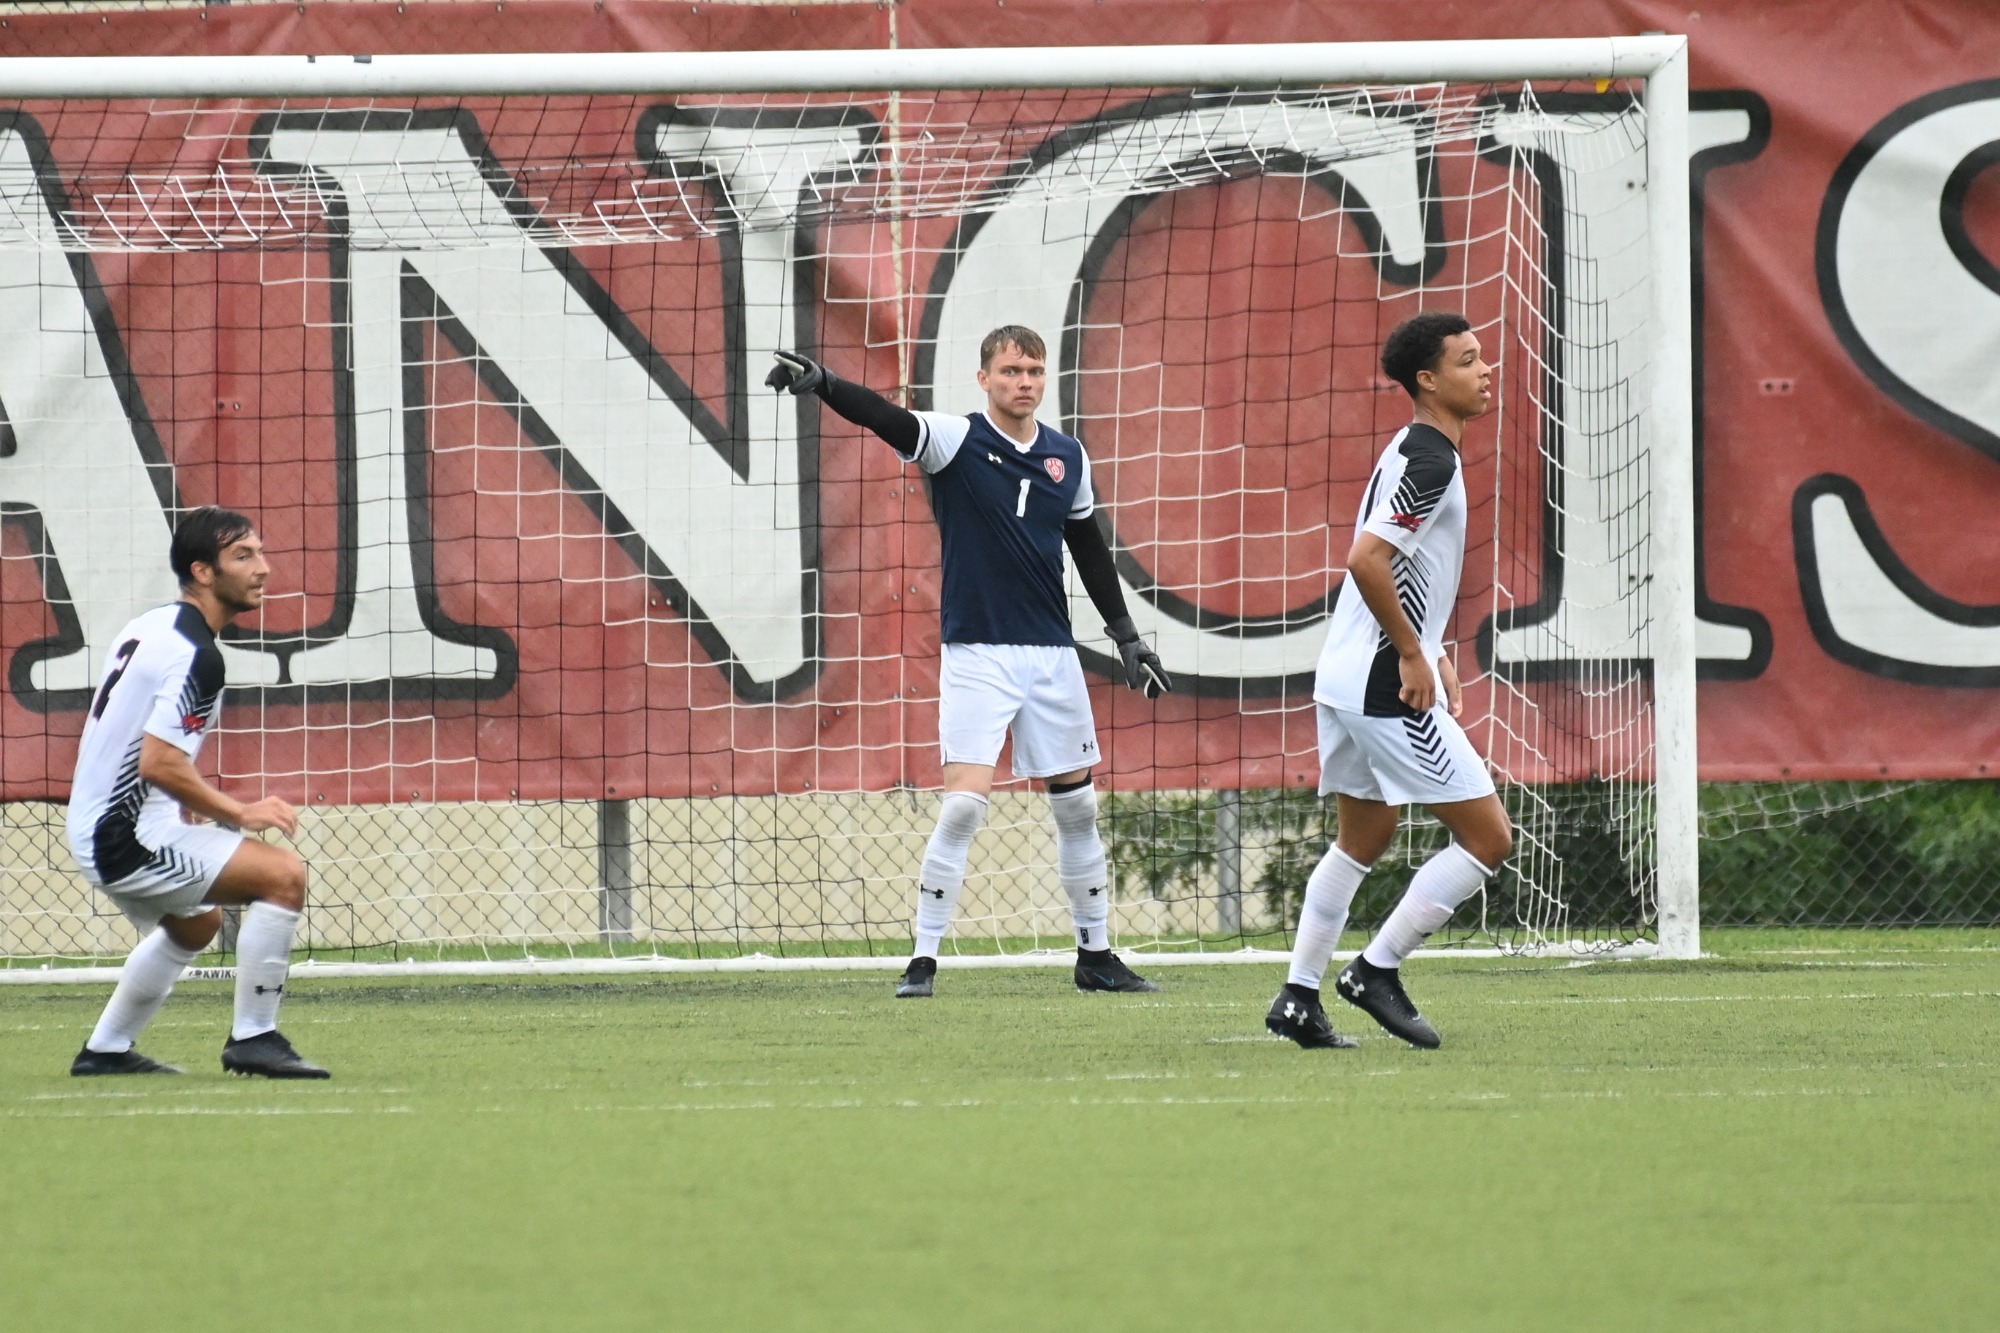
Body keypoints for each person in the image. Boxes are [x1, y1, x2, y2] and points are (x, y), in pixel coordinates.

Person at [768, 327, 1173, 998]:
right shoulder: (956, 440)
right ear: (984, 378)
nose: (1025, 381)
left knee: (1077, 808)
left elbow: (1089, 549)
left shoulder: (1067, 457)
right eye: (1011, 369)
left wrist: (1127, 636)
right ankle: (922, 959)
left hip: (1050, 655)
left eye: (1035, 370)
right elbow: (887, 417)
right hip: (978, 652)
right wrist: (825, 383)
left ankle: (1096, 955)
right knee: (962, 807)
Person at [1265, 311, 1514, 1050]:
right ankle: (1377, 969)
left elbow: (1396, 567)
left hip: (1345, 674)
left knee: (1364, 834)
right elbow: (1367, 560)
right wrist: (1411, 651)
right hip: (1380, 680)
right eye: (1468, 361)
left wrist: (1429, 643)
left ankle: (1298, 996)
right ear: (1428, 380)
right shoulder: (1432, 460)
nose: (1485, 369)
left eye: (1482, 358)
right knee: (1488, 837)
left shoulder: (1415, 447)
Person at [66, 506, 329, 1078]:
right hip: (122, 836)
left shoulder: (153, 624)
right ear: (202, 572)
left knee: (198, 922)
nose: (263, 568)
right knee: (282, 877)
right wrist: (241, 812)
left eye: (259, 552)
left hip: (97, 825)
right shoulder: (198, 657)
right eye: (243, 556)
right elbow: (161, 764)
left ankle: (106, 1050)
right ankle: (254, 1038)